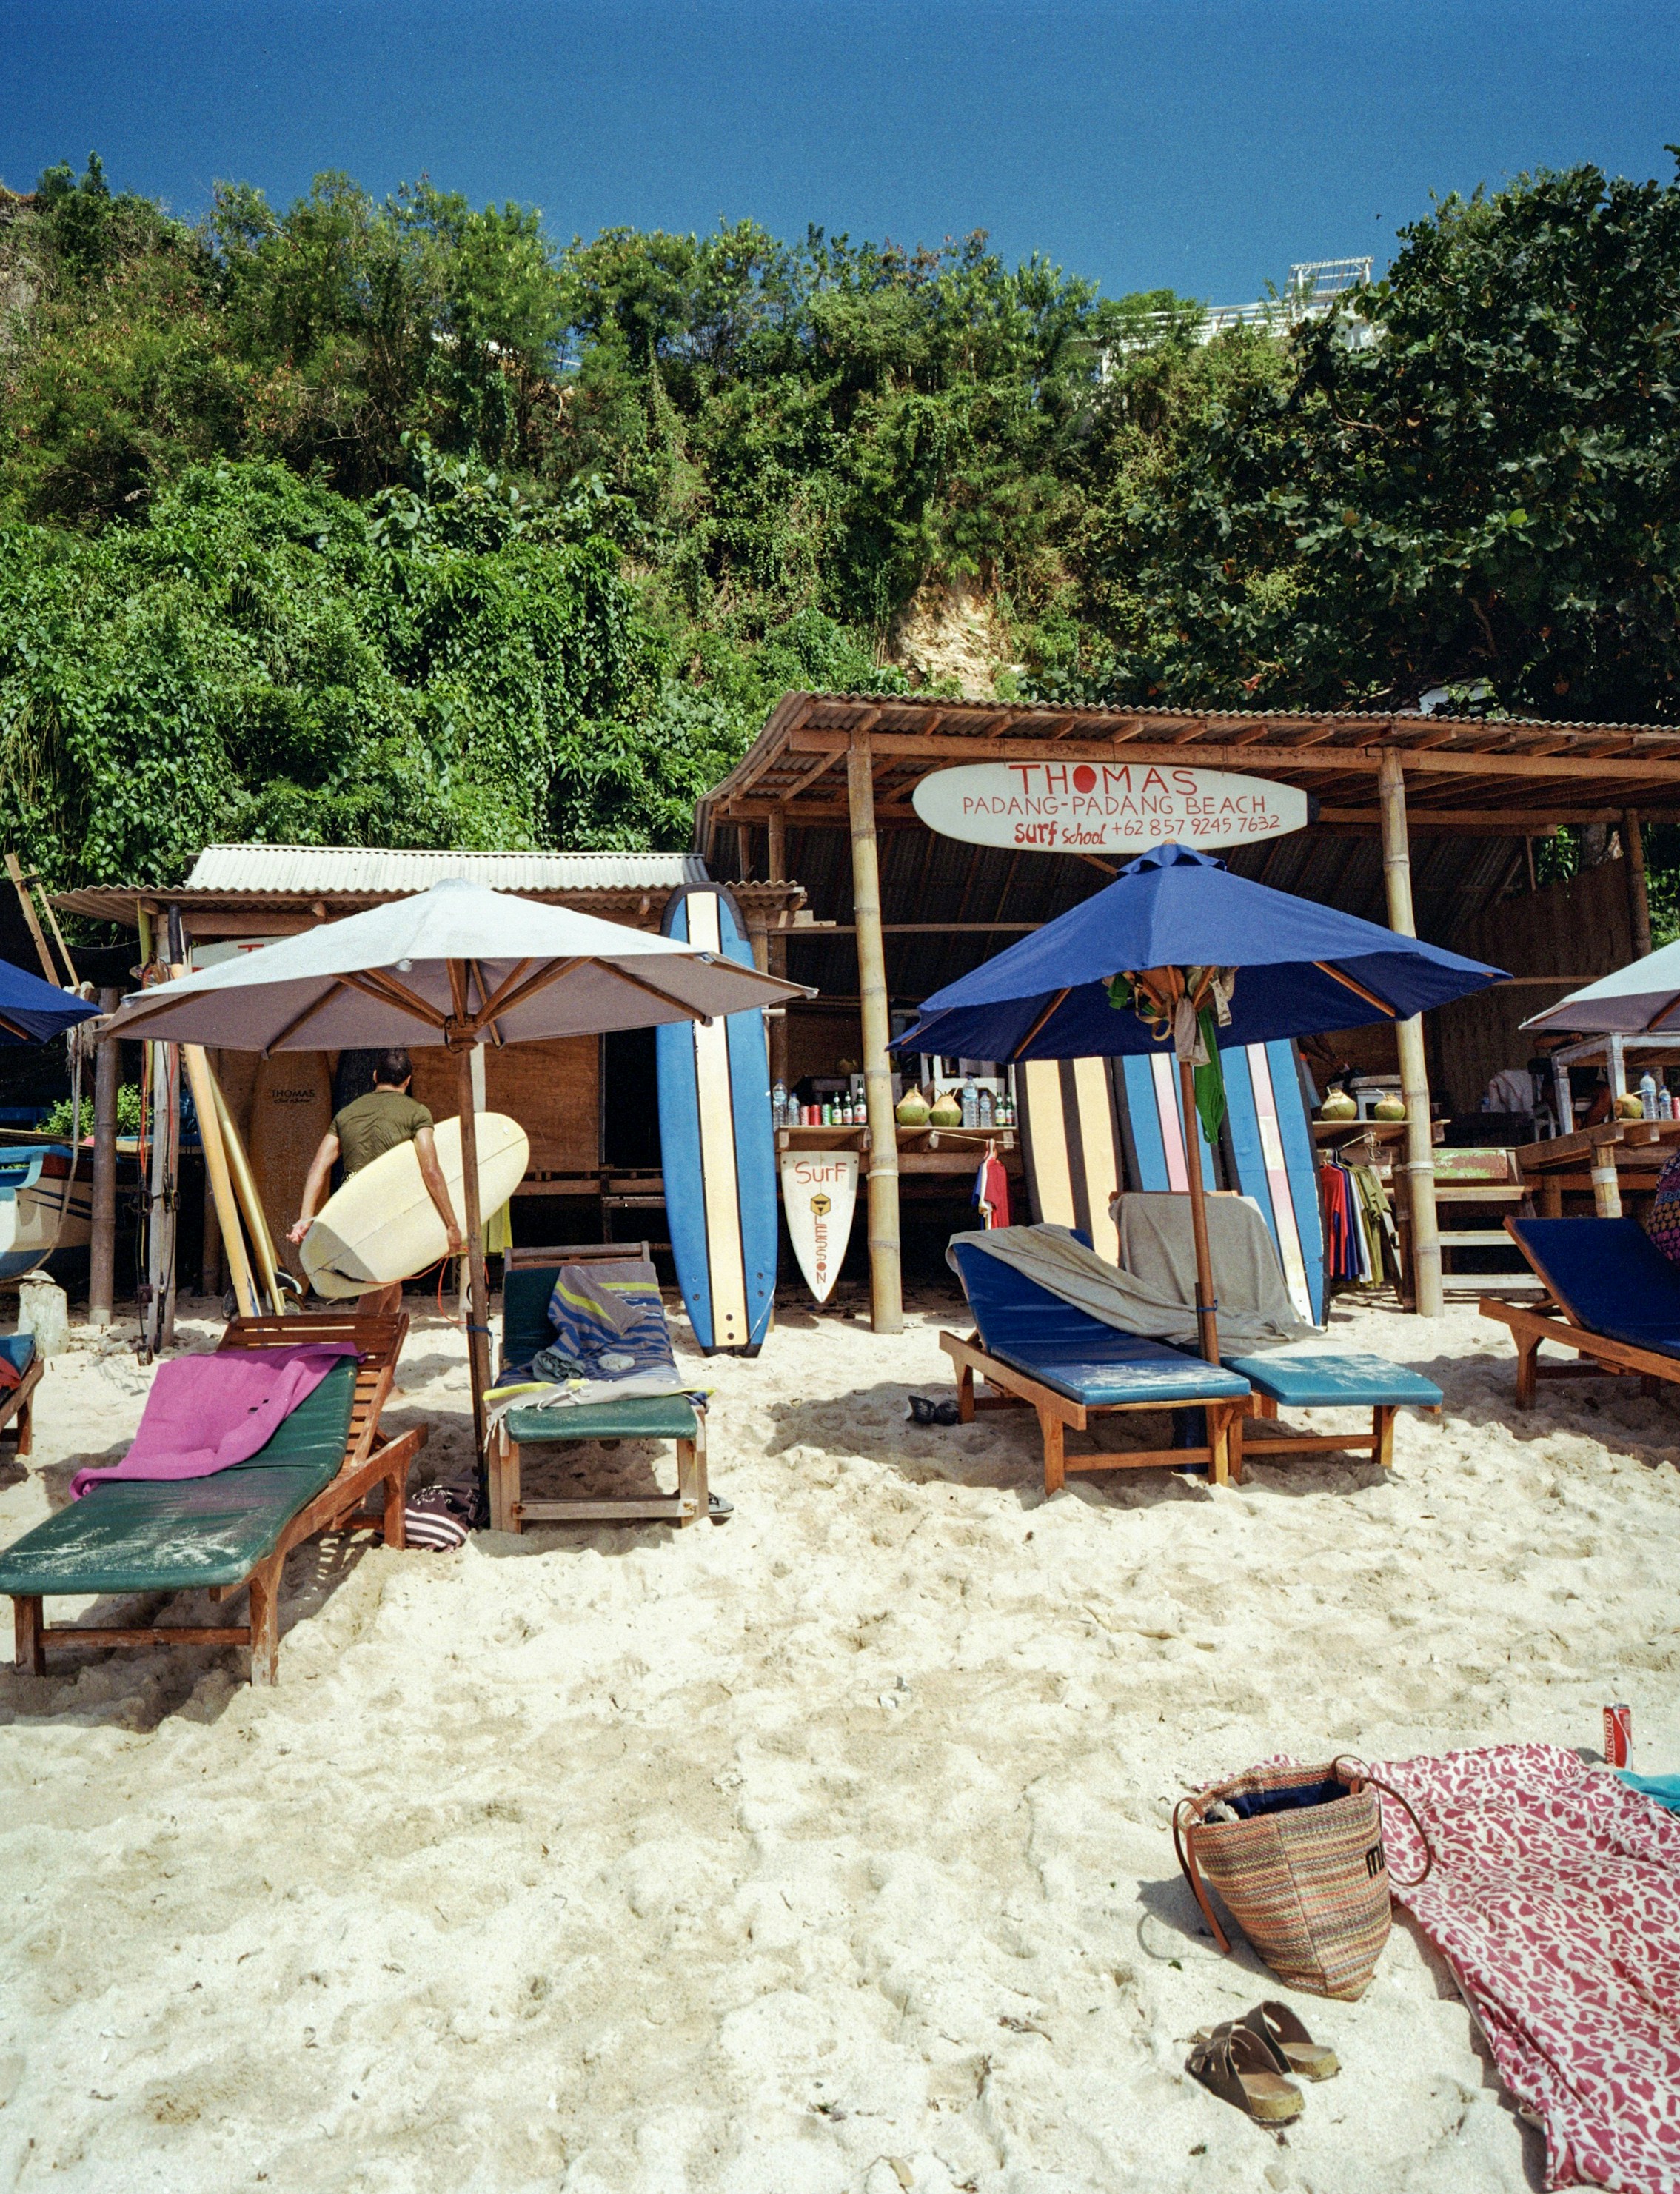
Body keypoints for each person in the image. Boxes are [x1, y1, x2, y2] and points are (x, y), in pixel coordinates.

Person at [289, 1048, 463, 1316]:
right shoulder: (417, 1112)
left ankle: (384, 1346)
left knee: (393, 1282)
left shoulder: (347, 1114)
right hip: (391, 1212)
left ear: (374, 1076)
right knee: (378, 1283)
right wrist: (451, 1224)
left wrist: (305, 1218)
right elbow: (431, 1171)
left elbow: (318, 1167)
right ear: (407, 1080)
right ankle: (358, 1346)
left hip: (352, 1210)